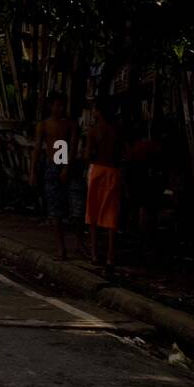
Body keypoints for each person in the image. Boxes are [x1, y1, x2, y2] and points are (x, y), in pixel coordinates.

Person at [31, 92, 85, 259]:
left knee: (77, 209)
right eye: (57, 105)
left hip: (69, 167)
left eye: (62, 105)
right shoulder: (44, 125)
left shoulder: (71, 124)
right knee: (56, 211)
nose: (60, 108)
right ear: (50, 106)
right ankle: (61, 247)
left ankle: (79, 243)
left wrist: (67, 168)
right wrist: (33, 171)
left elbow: (73, 147)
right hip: (52, 167)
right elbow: (38, 149)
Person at [83, 98, 123, 270]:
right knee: (111, 213)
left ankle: (94, 254)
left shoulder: (94, 131)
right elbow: (123, 152)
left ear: (99, 112)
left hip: (97, 170)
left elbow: (87, 154)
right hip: (113, 171)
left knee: (93, 212)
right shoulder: (116, 130)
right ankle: (110, 255)